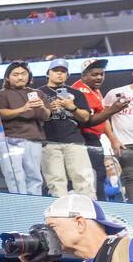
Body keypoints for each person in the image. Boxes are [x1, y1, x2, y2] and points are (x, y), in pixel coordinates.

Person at [0, 61, 50, 195]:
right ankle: (20, 205)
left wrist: (42, 107)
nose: (20, 77)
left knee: (35, 175)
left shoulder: (38, 94)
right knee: (14, 175)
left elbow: (46, 116)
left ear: (29, 76)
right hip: (9, 140)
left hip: (34, 139)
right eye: (15, 74)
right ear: (7, 77)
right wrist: (23, 109)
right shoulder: (0, 95)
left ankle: (34, 204)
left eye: (23, 74)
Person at [72, 59, 128, 201]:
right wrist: (113, 110)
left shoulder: (95, 90)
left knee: (99, 174)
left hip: (93, 137)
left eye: (102, 74)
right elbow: (87, 121)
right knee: (93, 175)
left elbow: (102, 117)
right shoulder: (80, 90)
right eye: (94, 74)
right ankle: (96, 205)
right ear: (84, 75)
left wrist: (113, 139)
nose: (99, 77)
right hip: (83, 137)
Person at [38, 59, 94, 197]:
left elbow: (85, 118)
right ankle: (61, 214)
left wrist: (71, 107)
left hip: (74, 140)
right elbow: (32, 117)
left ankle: (89, 213)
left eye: (63, 71)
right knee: (55, 182)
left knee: (83, 179)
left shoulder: (77, 94)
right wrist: (48, 109)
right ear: (48, 74)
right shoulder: (38, 93)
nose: (59, 74)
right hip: (48, 141)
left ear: (67, 75)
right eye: (56, 71)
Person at [104, 63, 133, 202]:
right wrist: (113, 140)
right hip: (125, 144)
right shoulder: (115, 93)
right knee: (130, 179)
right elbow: (103, 117)